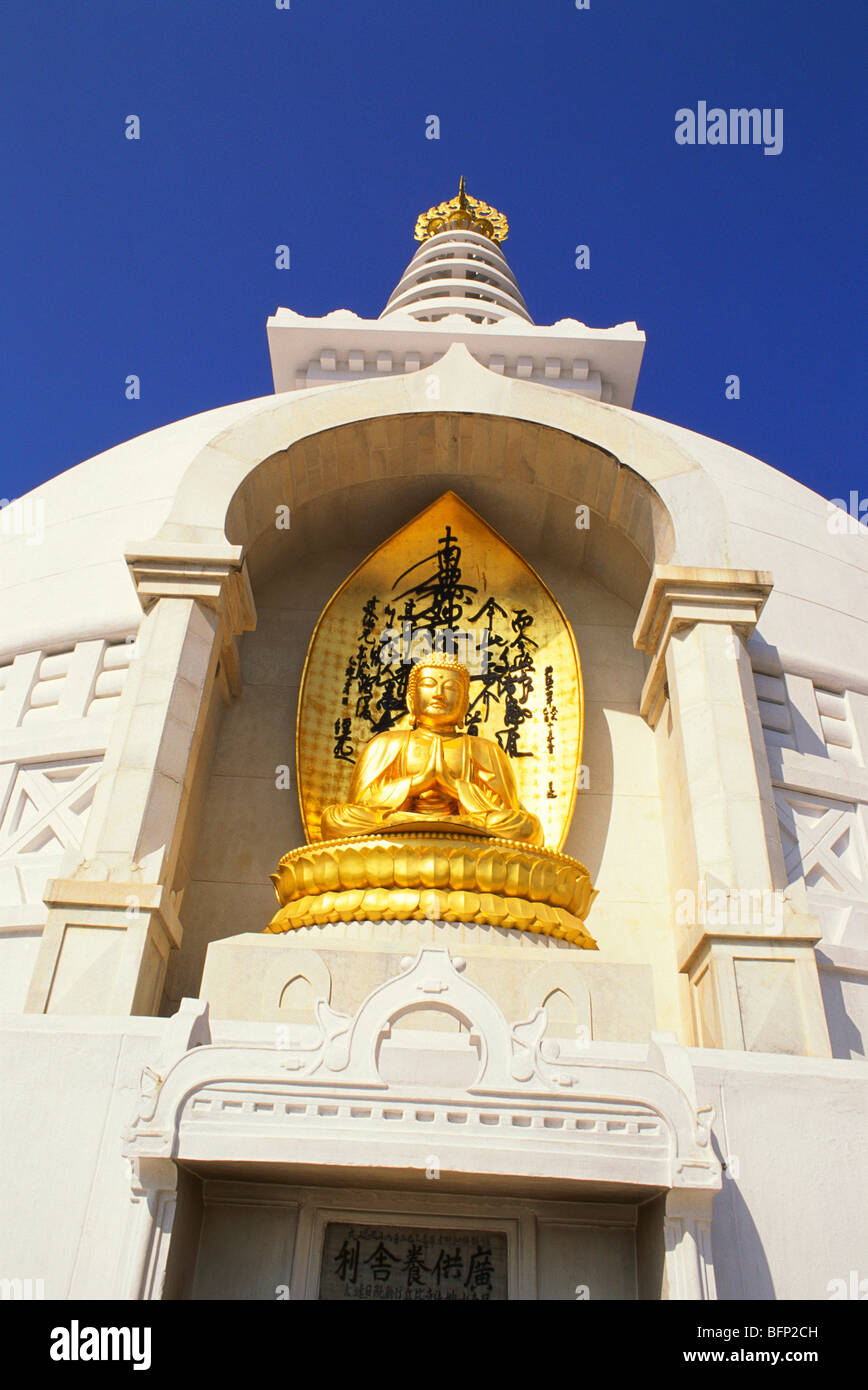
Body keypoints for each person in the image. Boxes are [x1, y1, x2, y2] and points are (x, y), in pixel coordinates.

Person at [320, 651, 543, 845]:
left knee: (525, 826)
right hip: (401, 825)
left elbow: (505, 811)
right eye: (429, 685)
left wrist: (453, 787)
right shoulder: (386, 743)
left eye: (451, 687)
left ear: (465, 704)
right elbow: (362, 804)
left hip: (463, 828)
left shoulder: (485, 749)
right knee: (337, 818)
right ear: (410, 701)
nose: (439, 694)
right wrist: (416, 785)